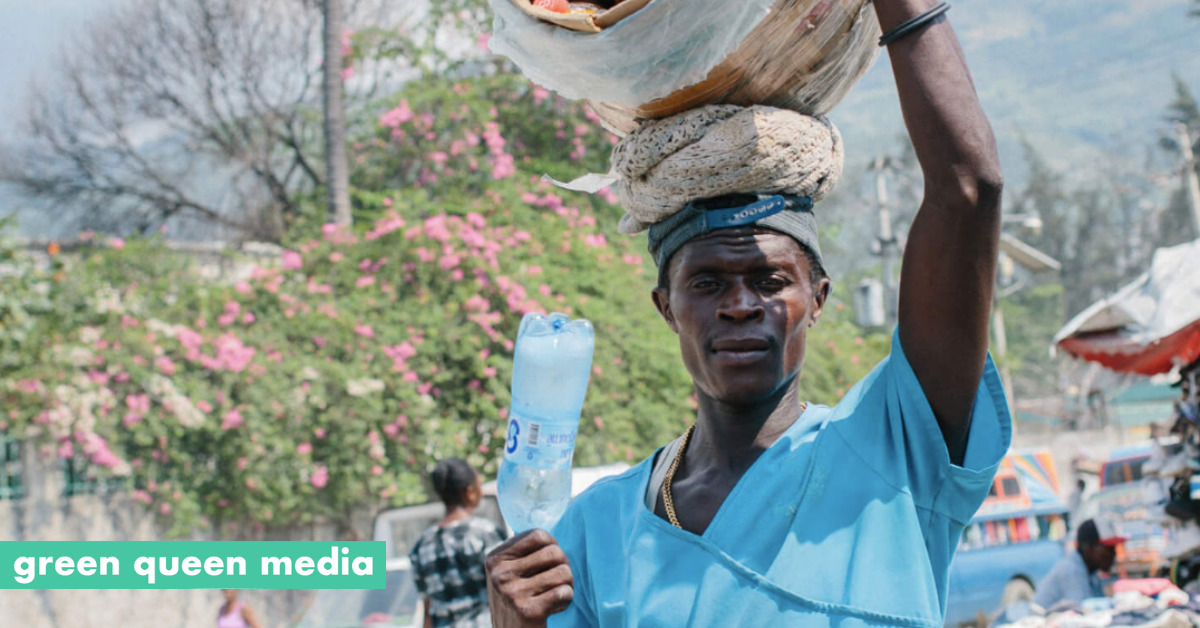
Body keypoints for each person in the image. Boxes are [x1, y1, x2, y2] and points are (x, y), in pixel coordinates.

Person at [485, 0, 1010, 624]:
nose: (739, 306)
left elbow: (968, 191)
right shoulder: (595, 533)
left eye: (769, 280)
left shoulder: (895, 448)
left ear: (817, 299)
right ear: (666, 307)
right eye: (707, 282)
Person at [411, 458, 509, 628]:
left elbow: (428, 610)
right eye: (479, 483)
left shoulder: (422, 545)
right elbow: (507, 594)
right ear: (469, 492)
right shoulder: (485, 533)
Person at [1032, 518, 1125, 609]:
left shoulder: (1091, 571)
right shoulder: (1071, 570)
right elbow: (1084, 614)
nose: (1114, 554)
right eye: (1108, 549)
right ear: (1089, 547)